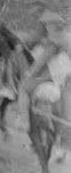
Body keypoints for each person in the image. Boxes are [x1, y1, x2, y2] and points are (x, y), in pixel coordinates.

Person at [18, 9, 71, 163]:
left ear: (52, 25)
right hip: (64, 76)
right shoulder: (66, 37)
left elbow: (42, 60)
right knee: (64, 112)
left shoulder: (56, 40)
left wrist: (30, 73)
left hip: (58, 74)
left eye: (47, 25)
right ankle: (59, 146)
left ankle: (25, 123)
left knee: (24, 88)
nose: (45, 27)